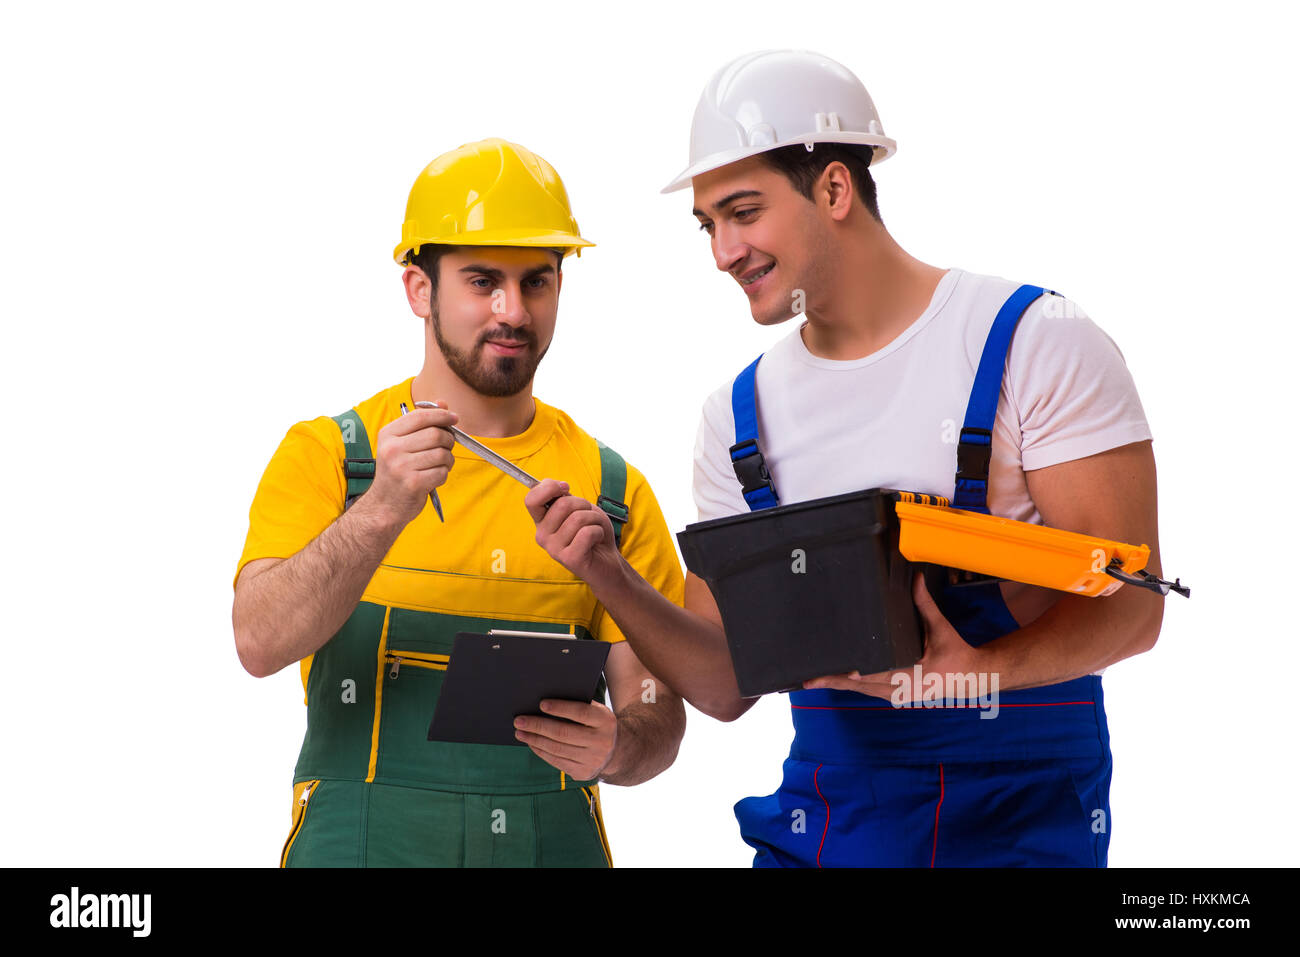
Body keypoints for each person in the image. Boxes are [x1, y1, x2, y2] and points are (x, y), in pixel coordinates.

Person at [525, 51, 1165, 867]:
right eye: (707, 225)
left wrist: (975, 675)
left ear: (833, 188)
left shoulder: (1034, 344)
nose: (723, 251)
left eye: (743, 211)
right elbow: (725, 686)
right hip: (829, 818)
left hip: (1021, 814)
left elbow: (1135, 608)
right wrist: (606, 573)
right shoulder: (737, 418)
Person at [232, 137, 686, 868]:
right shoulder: (333, 458)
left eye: (537, 281)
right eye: (482, 281)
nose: (513, 311)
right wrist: (381, 507)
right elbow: (257, 641)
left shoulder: (610, 492)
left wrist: (620, 745)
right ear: (419, 289)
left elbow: (659, 705)